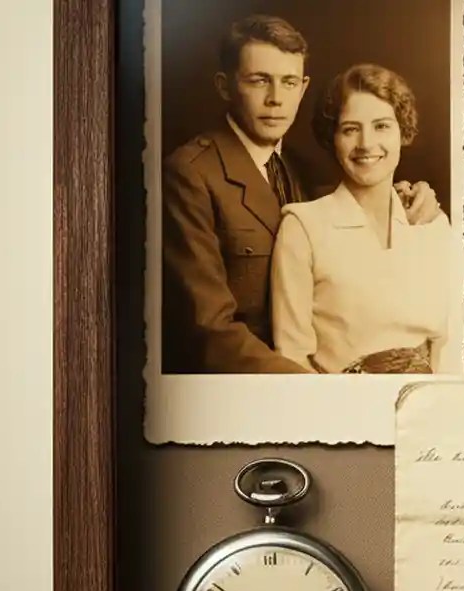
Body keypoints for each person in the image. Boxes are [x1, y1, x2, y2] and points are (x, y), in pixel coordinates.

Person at [161, 14, 443, 374]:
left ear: (303, 87)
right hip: (252, 390)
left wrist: (411, 194)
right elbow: (209, 330)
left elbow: (354, 206)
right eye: (259, 81)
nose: (276, 99)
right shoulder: (192, 173)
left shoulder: (303, 169)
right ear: (224, 86)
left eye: (289, 81)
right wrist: (319, 391)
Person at [269, 64, 464, 375]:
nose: (366, 144)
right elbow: (293, 356)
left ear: (403, 131)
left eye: (382, 126)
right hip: (341, 412)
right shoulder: (303, 227)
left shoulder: (432, 222)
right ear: (331, 138)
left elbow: (455, 343)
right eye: (350, 129)